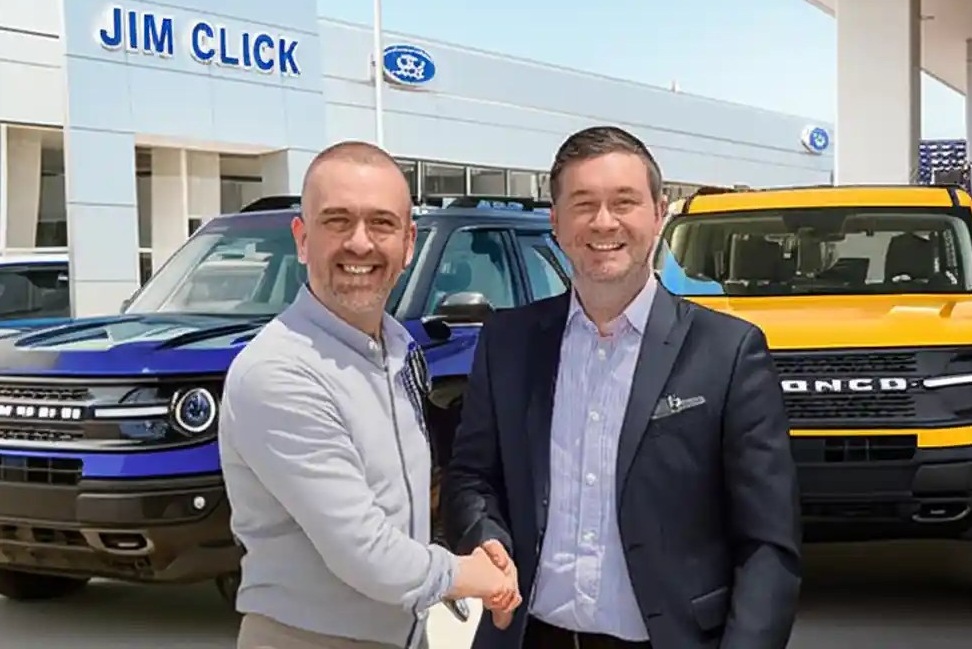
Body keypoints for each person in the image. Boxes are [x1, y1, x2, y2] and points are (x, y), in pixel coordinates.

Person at [442, 126, 802, 649]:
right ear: (556, 221)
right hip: (526, 636)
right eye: (583, 203)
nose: (603, 222)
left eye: (624, 202)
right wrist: (486, 538)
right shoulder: (508, 342)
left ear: (658, 215)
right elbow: (471, 478)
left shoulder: (728, 353)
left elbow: (769, 545)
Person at [219, 141, 520, 649]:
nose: (360, 243)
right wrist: (473, 575)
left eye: (381, 223)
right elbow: (364, 551)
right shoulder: (280, 372)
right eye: (337, 221)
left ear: (408, 243)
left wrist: (482, 536)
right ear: (302, 238)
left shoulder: (399, 348)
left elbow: (411, 498)